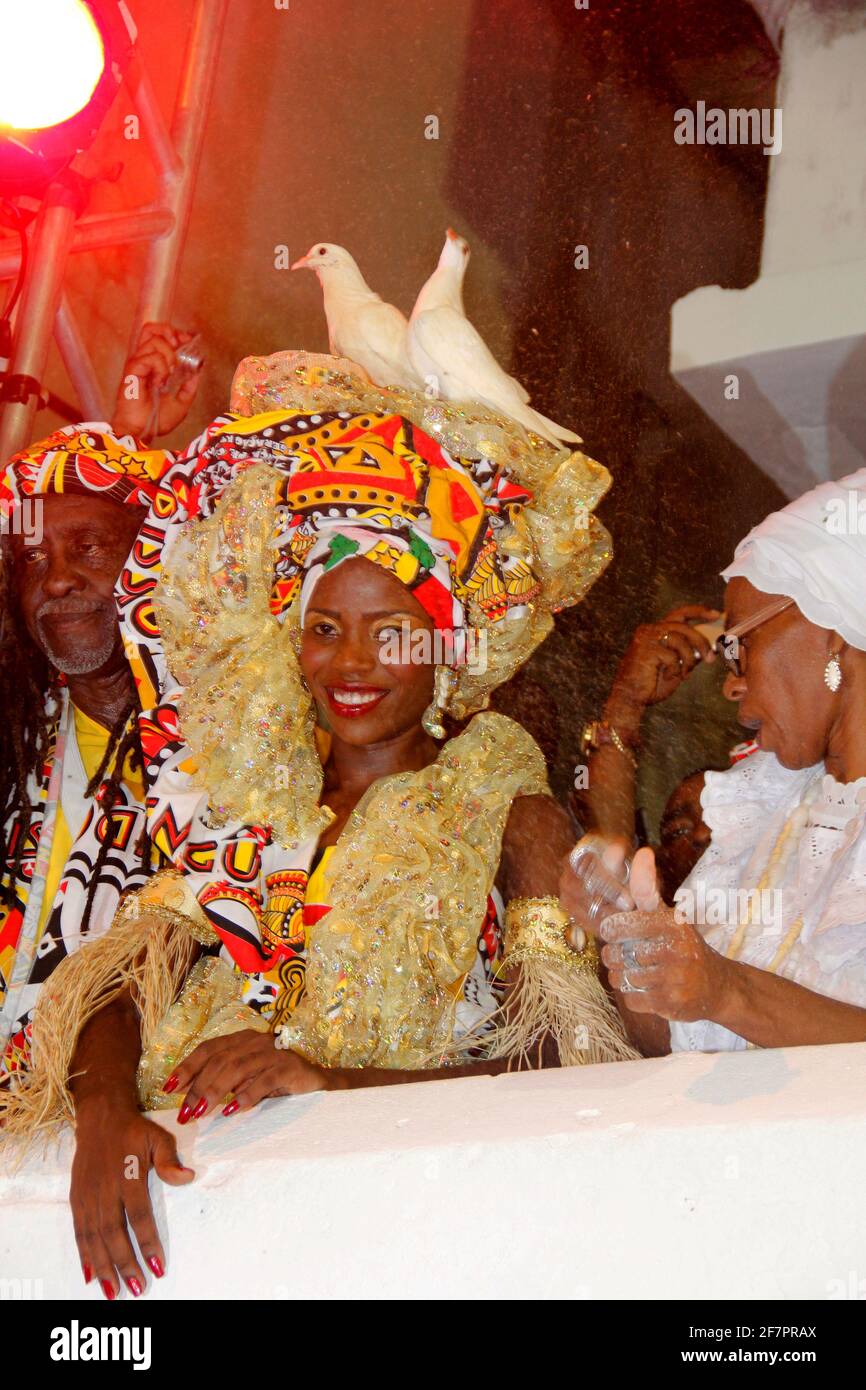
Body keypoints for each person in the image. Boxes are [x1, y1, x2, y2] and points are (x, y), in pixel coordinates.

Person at [2, 352, 634, 1298]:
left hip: (402, 1233)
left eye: (393, 630)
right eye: (326, 626)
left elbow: (560, 1063)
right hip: (191, 1225)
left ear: (446, 644)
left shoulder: (517, 821)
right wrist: (104, 1121)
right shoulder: (247, 807)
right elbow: (123, 983)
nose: (354, 661)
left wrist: (331, 1086)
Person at [574, 467, 866, 1058]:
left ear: (831, 632)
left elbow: (721, 999)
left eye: (739, 647)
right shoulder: (769, 802)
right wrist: (632, 937)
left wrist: (726, 989)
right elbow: (681, 1040)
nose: (731, 688)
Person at [0, 325, 200, 1079]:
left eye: (89, 551)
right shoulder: (18, 743)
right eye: (31, 561)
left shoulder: (229, 746)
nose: (55, 580)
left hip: (142, 1128)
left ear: (151, 562)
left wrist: (126, 447)